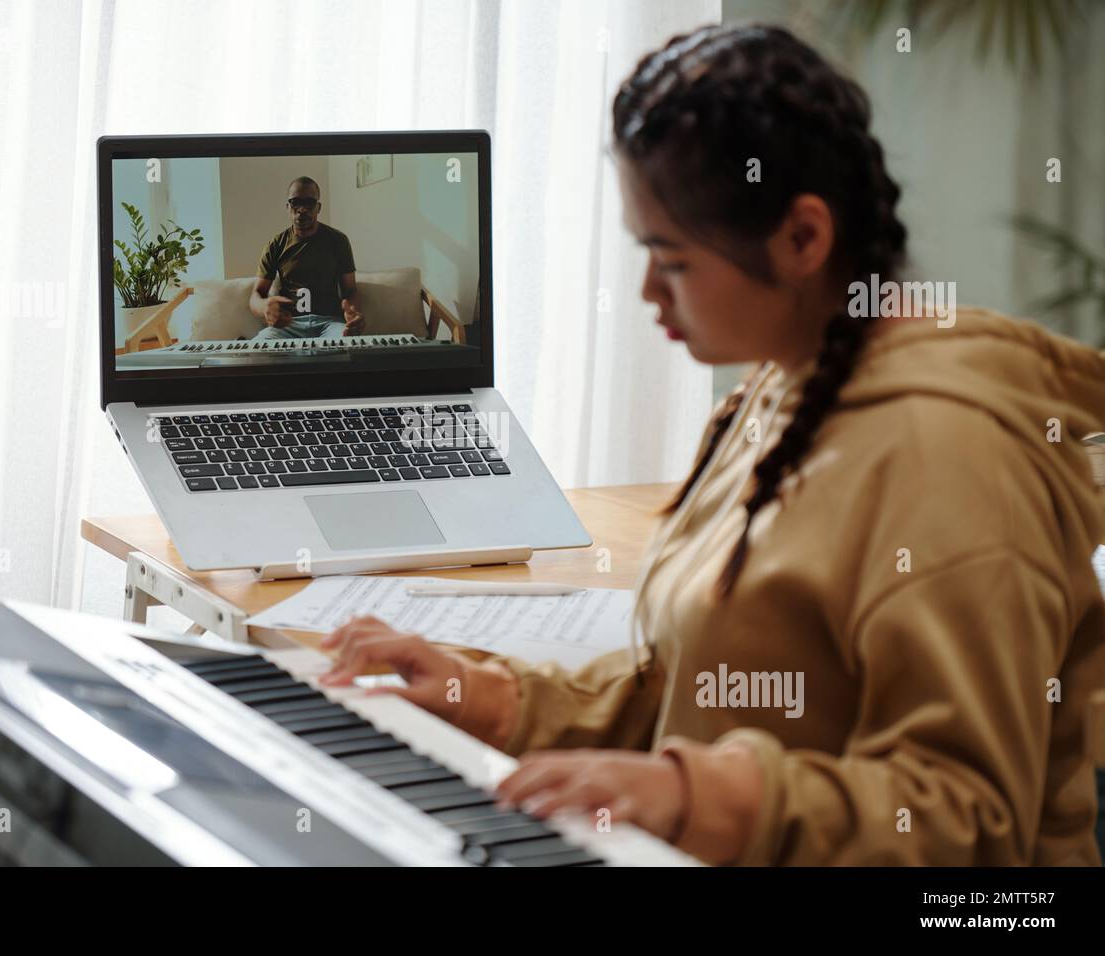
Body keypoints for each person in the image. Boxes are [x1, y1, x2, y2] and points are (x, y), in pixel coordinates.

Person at [318, 24, 1105, 865]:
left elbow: (966, 822)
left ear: (803, 239)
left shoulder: (950, 459)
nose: (648, 290)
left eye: (674, 259)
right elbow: (693, 687)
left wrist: (700, 797)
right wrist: (491, 698)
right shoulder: (778, 391)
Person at [249, 175, 365, 339]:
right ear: (288, 206)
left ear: (318, 207)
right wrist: (264, 307)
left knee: (349, 346)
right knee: (254, 353)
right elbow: (256, 294)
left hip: (329, 323)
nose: (302, 209)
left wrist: (353, 313)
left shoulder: (338, 241)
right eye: (296, 202)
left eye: (309, 203)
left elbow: (350, 290)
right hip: (288, 325)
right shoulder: (275, 245)